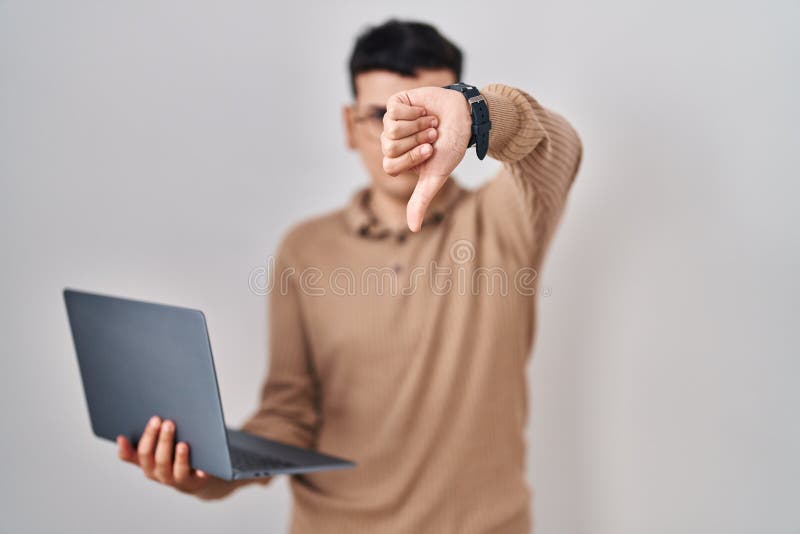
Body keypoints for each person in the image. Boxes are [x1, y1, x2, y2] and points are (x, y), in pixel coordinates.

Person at [116, 18, 583, 534]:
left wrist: (477, 109)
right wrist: (208, 475)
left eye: (426, 112)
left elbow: (555, 149)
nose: (401, 133)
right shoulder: (305, 249)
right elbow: (287, 416)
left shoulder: (503, 221)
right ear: (348, 124)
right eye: (380, 114)